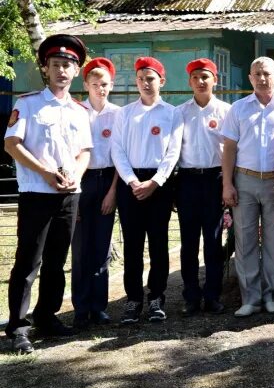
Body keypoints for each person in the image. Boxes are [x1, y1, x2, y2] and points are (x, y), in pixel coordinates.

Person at [4, 35, 92, 354]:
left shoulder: (80, 111)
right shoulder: (27, 104)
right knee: (29, 261)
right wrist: (44, 172)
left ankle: (47, 316)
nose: (62, 71)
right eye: (56, 65)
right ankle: (18, 327)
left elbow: (84, 152)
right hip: (37, 193)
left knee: (56, 261)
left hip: (69, 195)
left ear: (76, 71)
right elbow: (11, 144)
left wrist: (76, 176)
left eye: (68, 66)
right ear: (46, 68)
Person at [221, 57, 274, 317]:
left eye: (267, 73)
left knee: (273, 240)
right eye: (257, 74)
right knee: (245, 241)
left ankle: (270, 295)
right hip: (245, 180)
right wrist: (227, 184)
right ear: (250, 78)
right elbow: (229, 149)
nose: (262, 78)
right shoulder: (238, 109)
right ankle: (250, 298)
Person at [111, 56, 183, 324]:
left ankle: (156, 297)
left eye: (150, 78)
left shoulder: (172, 113)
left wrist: (155, 182)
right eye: (140, 79)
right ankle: (133, 300)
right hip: (130, 183)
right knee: (132, 244)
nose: (145, 83)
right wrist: (131, 181)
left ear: (161, 81)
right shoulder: (125, 113)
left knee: (158, 243)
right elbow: (117, 149)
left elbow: (172, 152)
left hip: (158, 184)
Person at [174, 58, 231, 316]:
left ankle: (213, 295)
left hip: (215, 179)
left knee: (213, 241)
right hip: (187, 180)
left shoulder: (227, 112)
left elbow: (232, 151)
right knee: (188, 242)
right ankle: (191, 296)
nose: (200, 82)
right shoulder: (180, 112)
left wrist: (229, 185)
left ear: (215, 80)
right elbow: (172, 151)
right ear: (189, 81)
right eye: (195, 77)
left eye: (205, 77)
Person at [70, 57, 120, 330]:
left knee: (101, 246)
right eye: (95, 83)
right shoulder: (76, 111)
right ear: (85, 84)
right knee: (80, 249)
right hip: (81, 181)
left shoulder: (118, 114)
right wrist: (74, 194)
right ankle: (81, 307)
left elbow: (119, 155)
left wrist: (113, 192)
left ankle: (99, 307)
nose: (100, 88)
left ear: (111, 85)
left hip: (108, 180)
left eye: (105, 84)